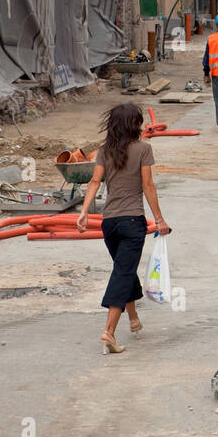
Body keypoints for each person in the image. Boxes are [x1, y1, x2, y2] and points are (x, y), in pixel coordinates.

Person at [76, 103, 171, 355]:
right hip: (132, 222)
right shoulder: (144, 149)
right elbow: (148, 186)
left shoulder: (104, 150)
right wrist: (159, 220)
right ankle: (109, 331)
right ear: (135, 124)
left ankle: (133, 318)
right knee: (122, 272)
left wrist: (84, 212)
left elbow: (95, 181)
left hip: (110, 223)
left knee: (124, 268)